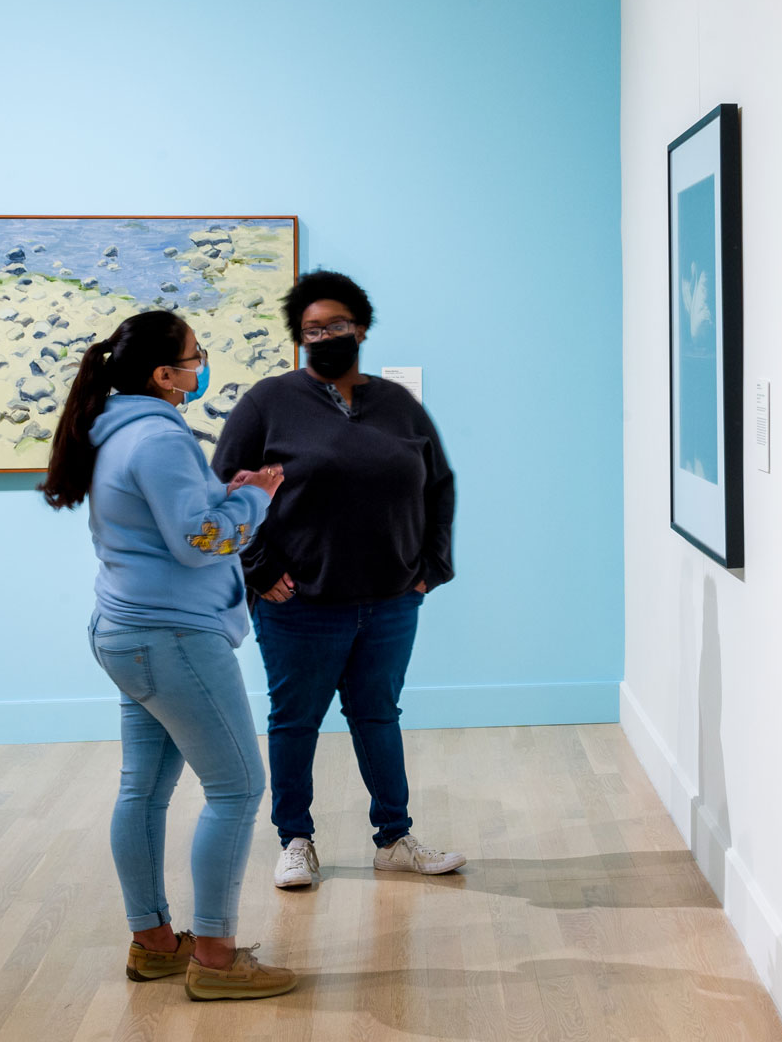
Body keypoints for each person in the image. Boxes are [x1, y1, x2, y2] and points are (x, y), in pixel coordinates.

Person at [40, 309, 298, 1002]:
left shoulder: (113, 427)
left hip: (127, 631)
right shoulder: (157, 437)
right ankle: (214, 958)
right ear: (164, 374)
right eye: (194, 355)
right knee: (239, 788)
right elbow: (200, 540)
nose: (200, 364)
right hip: (172, 638)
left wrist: (227, 494)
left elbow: (168, 524)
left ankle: (154, 944)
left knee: (144, 791)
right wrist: (254, 501)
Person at [212, 269, 464, 891]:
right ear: (299, 337)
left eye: (337, 325)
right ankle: (296, 840)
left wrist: (432, 567)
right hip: (301, 603)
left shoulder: (397, 403)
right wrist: (259, 567)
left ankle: (395, 839)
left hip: (390, 601)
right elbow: (222, 491)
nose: (324, 336)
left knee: (378, 714)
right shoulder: (267, 402)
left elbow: (439, 484)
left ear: (362, 328)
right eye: (312, 329)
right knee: (295, 721)